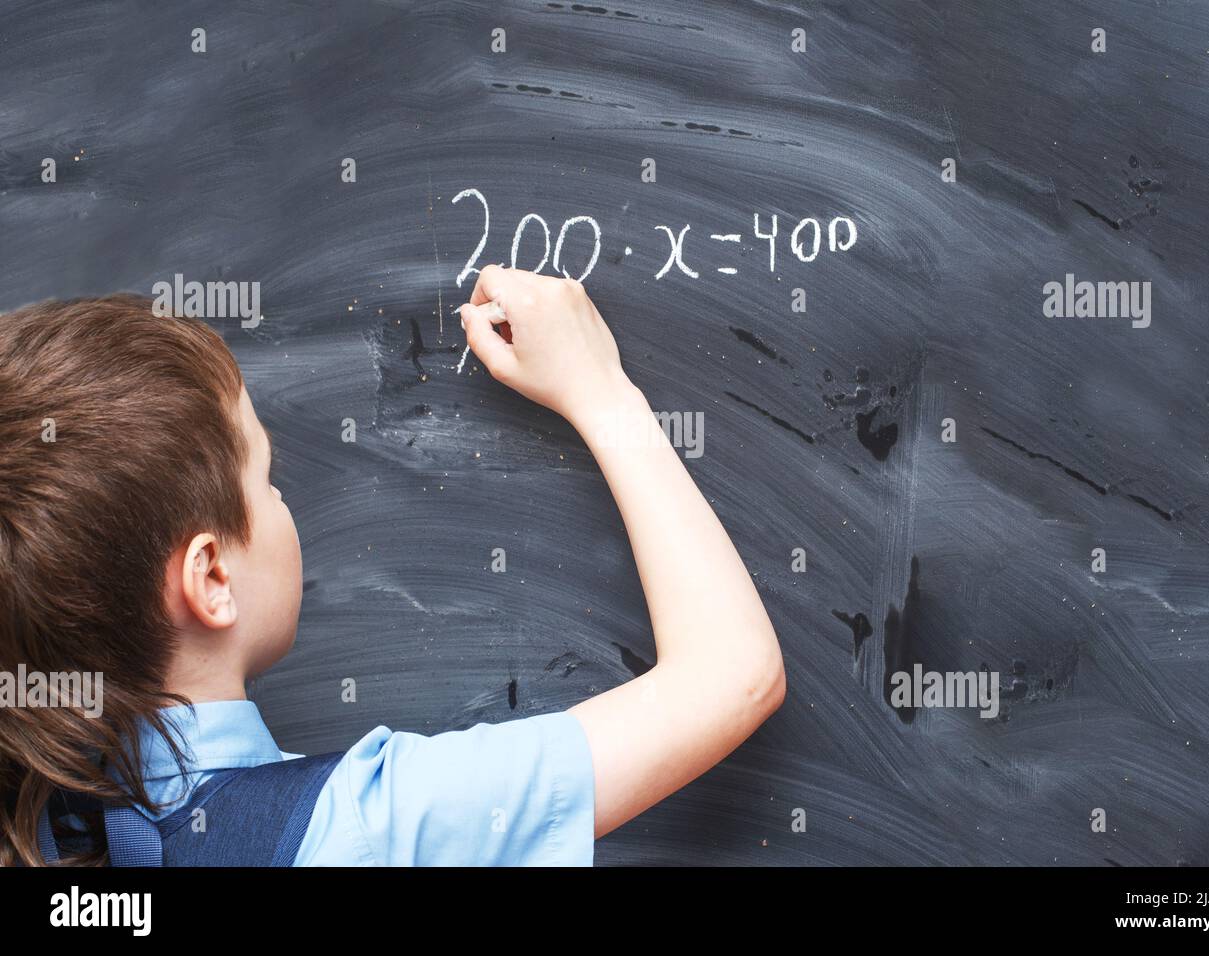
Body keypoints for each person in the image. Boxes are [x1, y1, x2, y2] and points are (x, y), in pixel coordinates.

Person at [0, 265, 785, 866]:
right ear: (211, 580)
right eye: (266, 480)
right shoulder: (360, 831)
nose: (283, 502)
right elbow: (733, 673)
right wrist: (599, 389)